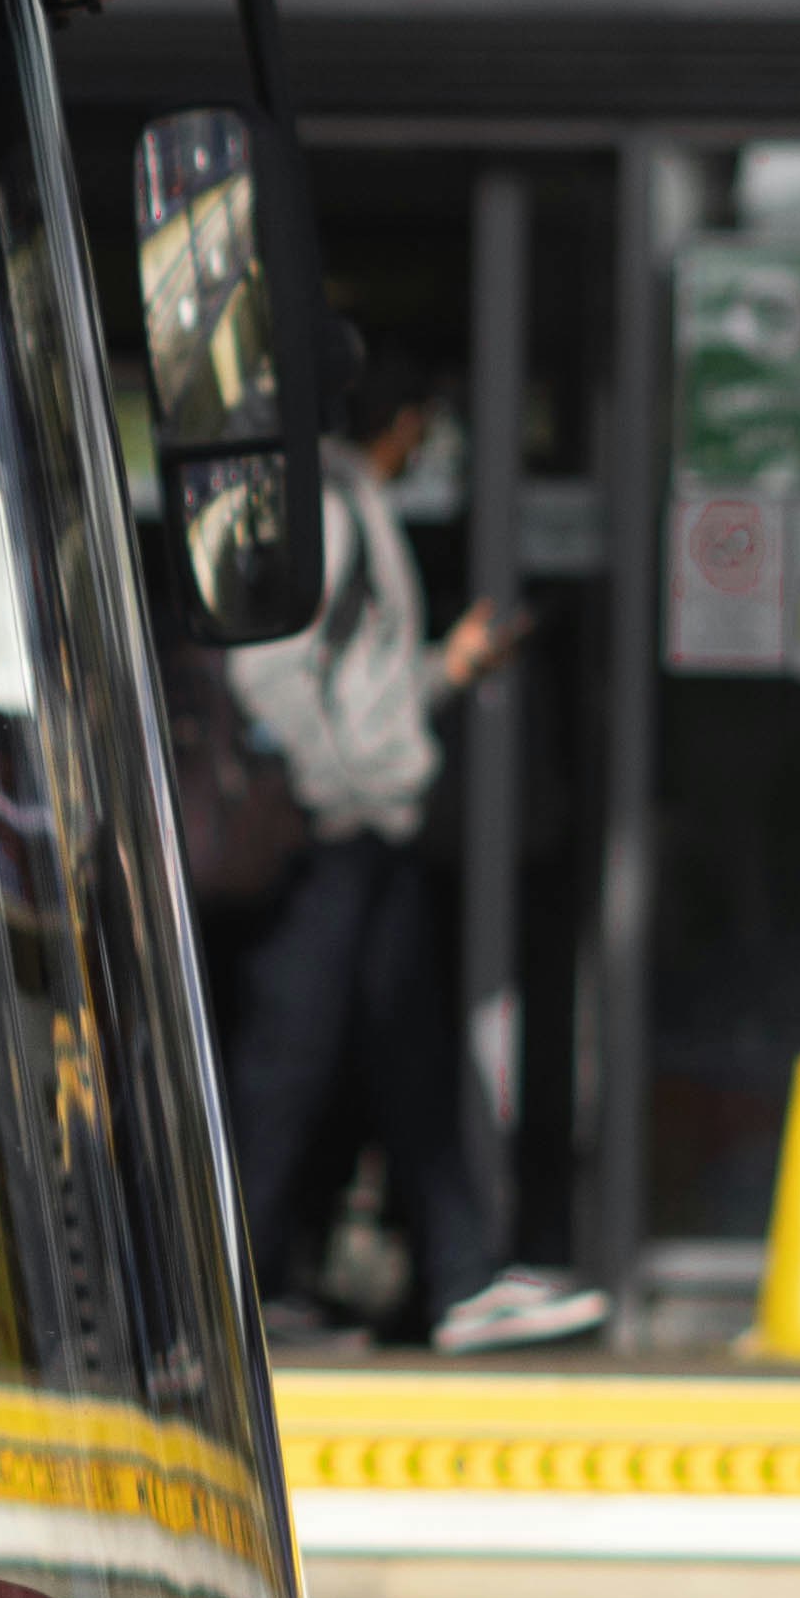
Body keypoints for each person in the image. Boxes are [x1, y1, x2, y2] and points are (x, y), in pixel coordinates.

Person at [217, 373, 609, 1356]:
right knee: (289, 1066)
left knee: (402, 1064)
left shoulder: (338, 500)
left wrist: (447, 671)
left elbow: (365, 690)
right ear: (397, 419)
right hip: (339, 833)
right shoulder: (331, 503)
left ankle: (449, 1275)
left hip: (361, 829)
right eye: (423, 420)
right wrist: (333, 790)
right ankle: (239, 1287)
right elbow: (268, 668)